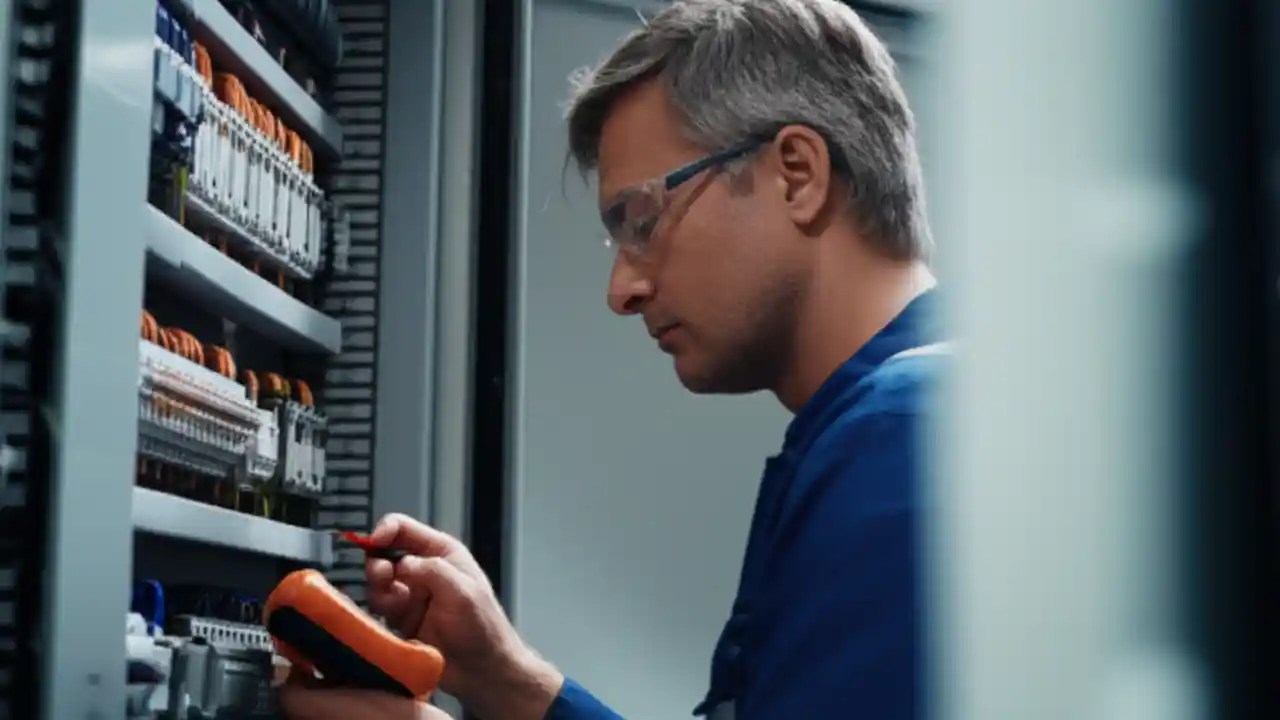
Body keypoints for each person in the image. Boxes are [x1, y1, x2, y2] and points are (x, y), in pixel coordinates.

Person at [280, 0, 945, 718]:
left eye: (642, 221)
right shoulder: (888, 425)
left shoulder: (905, 434)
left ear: (796, 174)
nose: (622, 290)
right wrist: (506, 680)